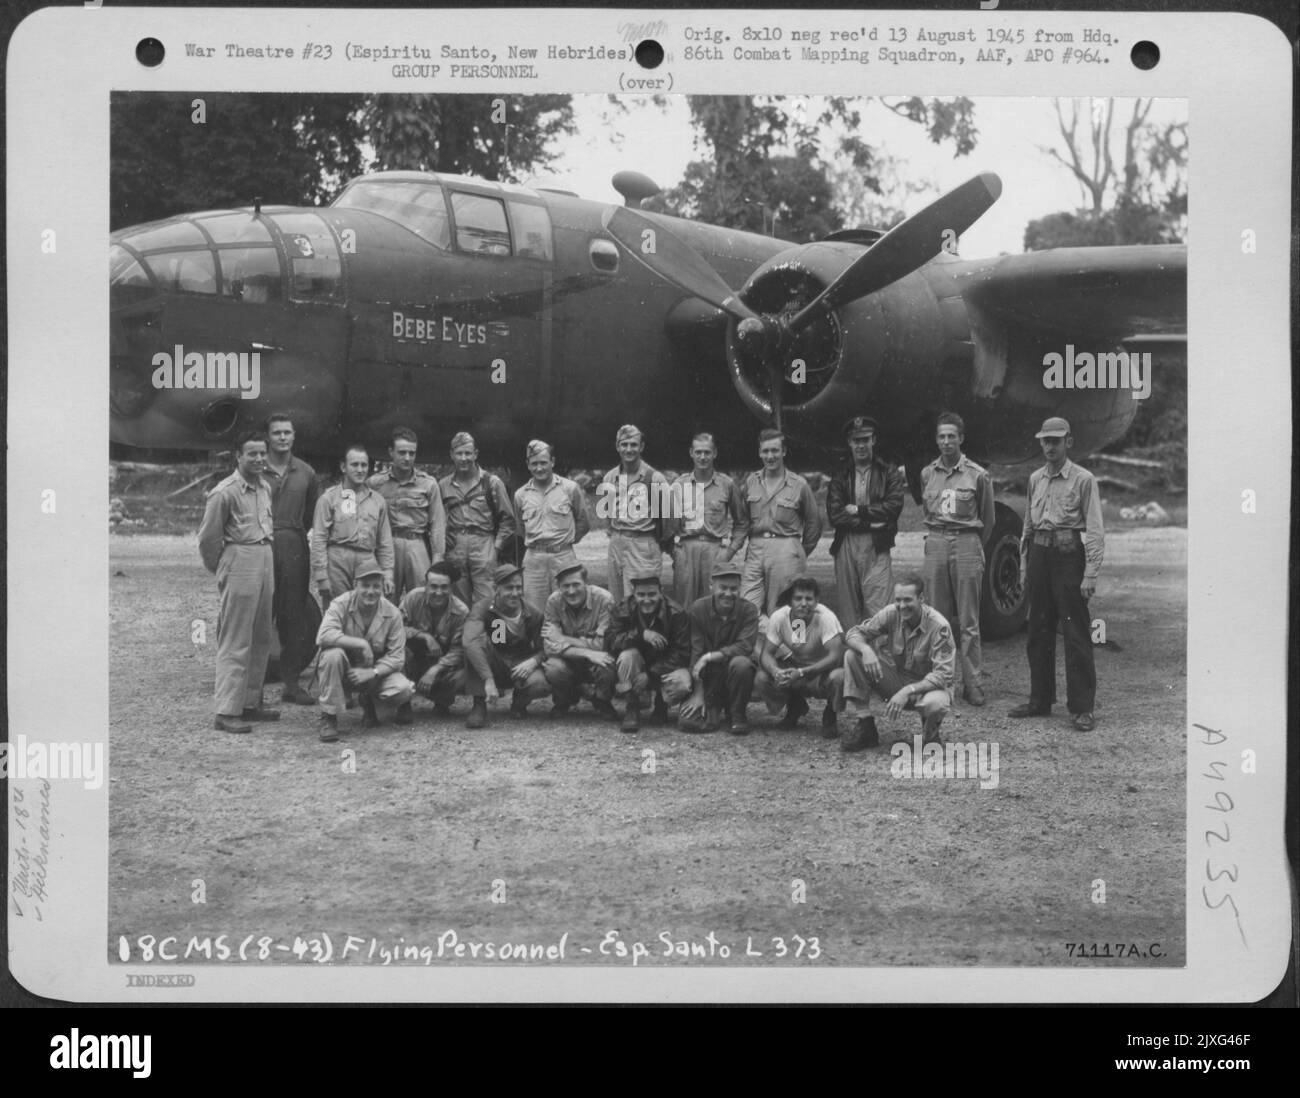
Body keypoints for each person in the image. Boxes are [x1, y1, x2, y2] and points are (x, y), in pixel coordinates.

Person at [1009, 417, 1105, 731]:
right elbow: (1027, 526)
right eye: (1045, 441)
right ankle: (1040, 700)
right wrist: (1024, 567)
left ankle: (1082, 707)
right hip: (1039, 554)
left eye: (1056, 440)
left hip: (1068, 557)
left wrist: (1090, 573)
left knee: (1075, 631)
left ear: (1069, 442)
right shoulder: (1035, 478)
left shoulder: (1083, 479)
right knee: (1037, 629)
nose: (1050, 446)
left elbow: (1094, 529)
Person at [198, 431, 279, 733]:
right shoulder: (224, 492)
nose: (258, 459)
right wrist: (224, 569)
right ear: (238, 456)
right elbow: (208, 540)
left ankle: (250, 702)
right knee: (235, 637)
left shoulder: (265, 488)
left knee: (261, 635)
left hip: (264, 556)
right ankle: (226, 710)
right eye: (252, 454)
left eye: (262, 453)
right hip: (239, 559)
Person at [919, 411, 996, 706]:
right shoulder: (928, 473)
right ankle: (940, 681)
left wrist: (971, 545)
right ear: (936, 440)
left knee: (968, 620)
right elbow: (927, 512)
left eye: (952, 436)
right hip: (937, 540)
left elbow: (987, 520)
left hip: (966, 542)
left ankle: (973, 683)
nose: (947, 441)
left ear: (961, 439)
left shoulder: (977, 475)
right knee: (936, 618)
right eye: (942, 436)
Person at [841, 576, 955, 752]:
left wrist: (907, 691)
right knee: (852, 655)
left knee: (935, 704)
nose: (902, 606)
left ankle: (930, 736)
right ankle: (866, 726)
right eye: (898, 600)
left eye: (908, 600)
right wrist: (866, 650)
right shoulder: (891, 613)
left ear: (922, 599)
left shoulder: (939, 626)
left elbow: (943, 675)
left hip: (928, 688)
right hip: (899, 679)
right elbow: (853, 633)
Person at [314, 557, 415, 742]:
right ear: (355, 585)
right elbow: (323, 635)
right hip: (344, 670)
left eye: (376, 586)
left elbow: (397, 656)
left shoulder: (392, 613)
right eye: (365, 585)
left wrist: (373, 672)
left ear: (382, 587)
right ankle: (329, 717)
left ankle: (370, 703)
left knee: (403, 690)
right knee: (332, 655)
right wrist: (361, 644)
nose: (371, 591)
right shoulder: (340, 604)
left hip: (373, 672)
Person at [826, 415, 906, 630]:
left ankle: (884, 659)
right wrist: (868, 523)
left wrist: (859, 510)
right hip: (846, 544)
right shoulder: (841, 473)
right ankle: (855, 658)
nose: (861, 445)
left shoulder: (888, 471)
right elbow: (835, 514)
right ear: (849, 443)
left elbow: (893, 507)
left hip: (877, 544)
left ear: (874, 440)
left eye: (865, 439)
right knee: (849, 611)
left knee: (881, 607)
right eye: (856, 440)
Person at [262, 413, 319, 705]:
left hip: (294, 543)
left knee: (294, 615)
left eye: (287, 432)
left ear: (294, 436)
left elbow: (311, 516)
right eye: (277, 433)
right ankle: (252, 687)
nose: (283, 438)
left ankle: (292, 682)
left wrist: (293, 536)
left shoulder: (306, 473)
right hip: (262, 544)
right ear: (267, 437)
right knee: (261, 613)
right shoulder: (256, 470)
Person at [738, 428, 823, 613]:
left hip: (786, 548)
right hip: (756, 550)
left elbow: (814, 523)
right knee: (747, 608)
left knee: (789, 609)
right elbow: (743, 519)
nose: (770, 456)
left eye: (775, 450)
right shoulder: (751, 482)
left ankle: (798, 641)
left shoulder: (799, 484)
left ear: (783, 451)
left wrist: (797, 551)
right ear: (759, 452)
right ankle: (766, 641)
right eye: (766, 451)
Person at [664, 432, 748, 609]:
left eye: (707, 452)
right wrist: (674, 551)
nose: (703, 457)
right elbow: (666, 523)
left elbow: (742, 522)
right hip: (686, 549)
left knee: (714, 603)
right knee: (684, 604)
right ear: (691, 453)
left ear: (715, 453)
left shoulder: (727, 484)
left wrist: (730, 551)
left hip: (715, 548)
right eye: (698, 452)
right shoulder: (679, 485)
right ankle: (685, 637)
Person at [461, 563, 551, 728]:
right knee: (475, 645)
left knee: (540, 684)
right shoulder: (483, 608)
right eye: (509, 588)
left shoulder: (533, 613)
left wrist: (533, 661)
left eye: (519, 587)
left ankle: (519, 701)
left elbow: (546, 646)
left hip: (520, 663)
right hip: (495, 661)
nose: (515, 593)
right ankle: (479, 703)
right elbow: (469, 642)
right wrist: (488, 679)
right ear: (497, 589)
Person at [755, 576, 846, 737]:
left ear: (816, 600)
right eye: (798, 598)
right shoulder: (779, 617)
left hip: (821, 671)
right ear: (790, 601)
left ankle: (830, 714)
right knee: (762, 677)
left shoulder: (826, 617)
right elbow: (766, 654)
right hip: (795, 667)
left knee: (839, 677)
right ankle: (795, 704)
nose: (804, 603)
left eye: (809, 599)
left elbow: (835, 656)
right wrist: (775, 671)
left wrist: (803, 672)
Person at [679, 560, 760, 736]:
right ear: (711, 586)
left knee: (742, 664)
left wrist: (711, 656)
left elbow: (745, 647)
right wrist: (698, 693)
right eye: (722, 587)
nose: (728, 593)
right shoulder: (698, 608)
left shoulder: (749, 610)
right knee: (689, 722)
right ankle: (712, 705)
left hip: (734, 670)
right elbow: (695, 652)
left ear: (740, 589)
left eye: (734, 589)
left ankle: (737, 713)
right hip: (708, 675)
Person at [439, 431, 517, 609]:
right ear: (452, 455)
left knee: (490, 603)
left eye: (468, 453)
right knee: (458, 605)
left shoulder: (492, 483)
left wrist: (496, 549)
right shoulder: (443, 485)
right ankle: (463, 637)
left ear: (476, 454)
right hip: (455, 548)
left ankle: (498, 637)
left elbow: (508, 521)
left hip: (484, 545)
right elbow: (437, 518)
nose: (464, 458)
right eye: (459, 453)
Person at [367, 427, 446, 602]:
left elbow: (438, 525)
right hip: (387, 547)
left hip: (416, 545)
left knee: (421, 599)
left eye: (412, 453)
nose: (407, 458)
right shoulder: (375, 484)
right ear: (391, 452)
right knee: (384, 599)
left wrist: (437, 561)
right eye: (402, 452)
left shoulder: (428, 484)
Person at [607, 573, 693, 732]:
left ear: (661, 591)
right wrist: (640, 634)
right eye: (641, 595)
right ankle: (632, 707)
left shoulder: (676, 612)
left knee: (683, 683)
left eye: (652, 594)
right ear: (634, 593)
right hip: (637, 662)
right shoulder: (622, 608)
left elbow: (682, 653)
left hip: (664, 665)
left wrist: (650, 674)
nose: (646, 600)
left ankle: (661, 706)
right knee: (627, 656)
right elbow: (610, 641)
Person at [311, 444, 395, 601]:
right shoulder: (329, 498)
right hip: (337, 562)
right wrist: (321, 576)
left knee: (366, 611)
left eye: (364, 465)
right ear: (343, 467)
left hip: (367, 560)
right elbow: (319, 537)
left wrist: (388, 572)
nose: (360, 469)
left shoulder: (377, 501)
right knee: (337, 611)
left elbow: (385, 540)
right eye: (354, 464)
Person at [514, 440, 591, 611]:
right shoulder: (520, 495)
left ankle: (567, 639)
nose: (539, 468)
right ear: (527, 465)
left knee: (568, 606)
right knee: (535, 611)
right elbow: (520, 528)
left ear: (553, 462)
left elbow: (584, 522)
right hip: (534, 559)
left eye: (543, 463)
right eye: (534, 464)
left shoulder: (570, 488)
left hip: (563, 557)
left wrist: (565, 542)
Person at [600, 424, 671, 598]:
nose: (629, 449)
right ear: (617, 447)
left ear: (641, 447)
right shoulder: (610, 477)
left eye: (633, 444)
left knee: (641, 599)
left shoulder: (654, 478)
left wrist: (653, 544)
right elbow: (607, 514)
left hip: (642, 544)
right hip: (616, 543)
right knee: (617, 600)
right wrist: (616, 536)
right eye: (624, 444)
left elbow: (668, 521)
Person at [541, 563, 619, 721]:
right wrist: (588, 652)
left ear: (586, 583)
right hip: (565, 660)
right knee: (551, 669)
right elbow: (549, 647)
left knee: (607, 661)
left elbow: (603, 644)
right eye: (565, 586)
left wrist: (563, 639)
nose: (571, 591)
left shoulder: (604, 599)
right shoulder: (553, 602)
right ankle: (564, 700)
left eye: (576, 584)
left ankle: (602, 701)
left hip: (593, 658)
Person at [399, 561, 469, 715]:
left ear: (451, 588)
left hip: (442, 664)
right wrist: (423, 636)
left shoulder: (462, 611)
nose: (438, 592)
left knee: (466, 671)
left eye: (444, 587)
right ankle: (402, 703)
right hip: (413, 659)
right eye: (433, 586)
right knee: (397, 650)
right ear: (426, 585)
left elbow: (459, 649)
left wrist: (435, 670)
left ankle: (442, 699)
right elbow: (396, 630)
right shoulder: (413, 598)